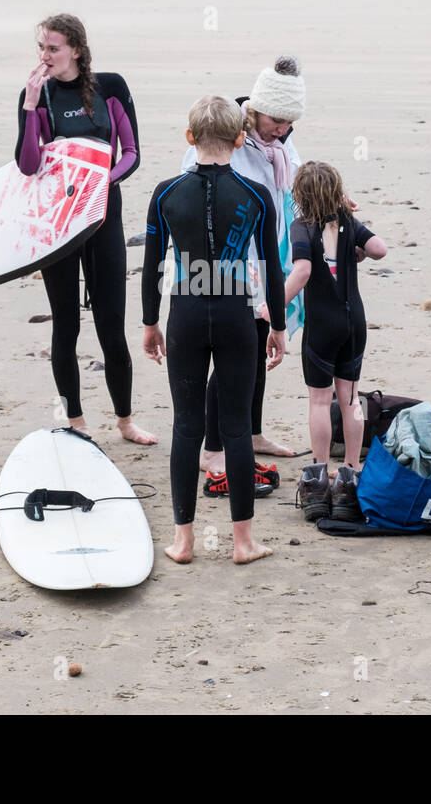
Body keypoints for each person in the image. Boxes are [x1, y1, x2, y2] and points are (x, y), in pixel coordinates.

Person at [141, 96, 287, 565]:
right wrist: (278, 327)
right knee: (238, 428)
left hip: (184, 313)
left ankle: (182, 543)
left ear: (190, 139)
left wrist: (149, 323)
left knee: (186, 428)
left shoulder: (166, 193)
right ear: (240, 139)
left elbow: (151, 267)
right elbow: (272, 266)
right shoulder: (255, 195)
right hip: (236, 314)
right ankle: (243, 543)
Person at [15, 14, 155, 445]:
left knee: (111, 325)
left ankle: (125, 421)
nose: (45, 56)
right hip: (59, 225)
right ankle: (76, 422)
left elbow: (130, 152)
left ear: (76, 49)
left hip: (103, 218)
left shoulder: (111, 87)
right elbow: (28, 164)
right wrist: (31, 106)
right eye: (41, 47)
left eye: (53, 48)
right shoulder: (36, 95)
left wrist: (101, 183)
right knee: (66, 325)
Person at [180, 56, 306, 485]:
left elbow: (294, 189)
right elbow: (194, 190)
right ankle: (212, 448)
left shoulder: (283, 146)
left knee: (258, 355)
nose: (282, 129)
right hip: (231, 271)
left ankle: (251, 433)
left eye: (290, 122)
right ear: (254, 111)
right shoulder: (225, 140)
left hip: (271, 257)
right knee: (236, 358)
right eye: (276, 120)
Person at [283, 162, 387, 523]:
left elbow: (304, 271)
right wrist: (355, 248)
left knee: (318, 401)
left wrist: (272, 304)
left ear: (300, 195)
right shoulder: (347, 222)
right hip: (353, 323)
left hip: (322, 326)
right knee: (350, 400)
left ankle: (319, 477)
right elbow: (380, 250)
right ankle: (350, 476)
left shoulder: (301, 225)